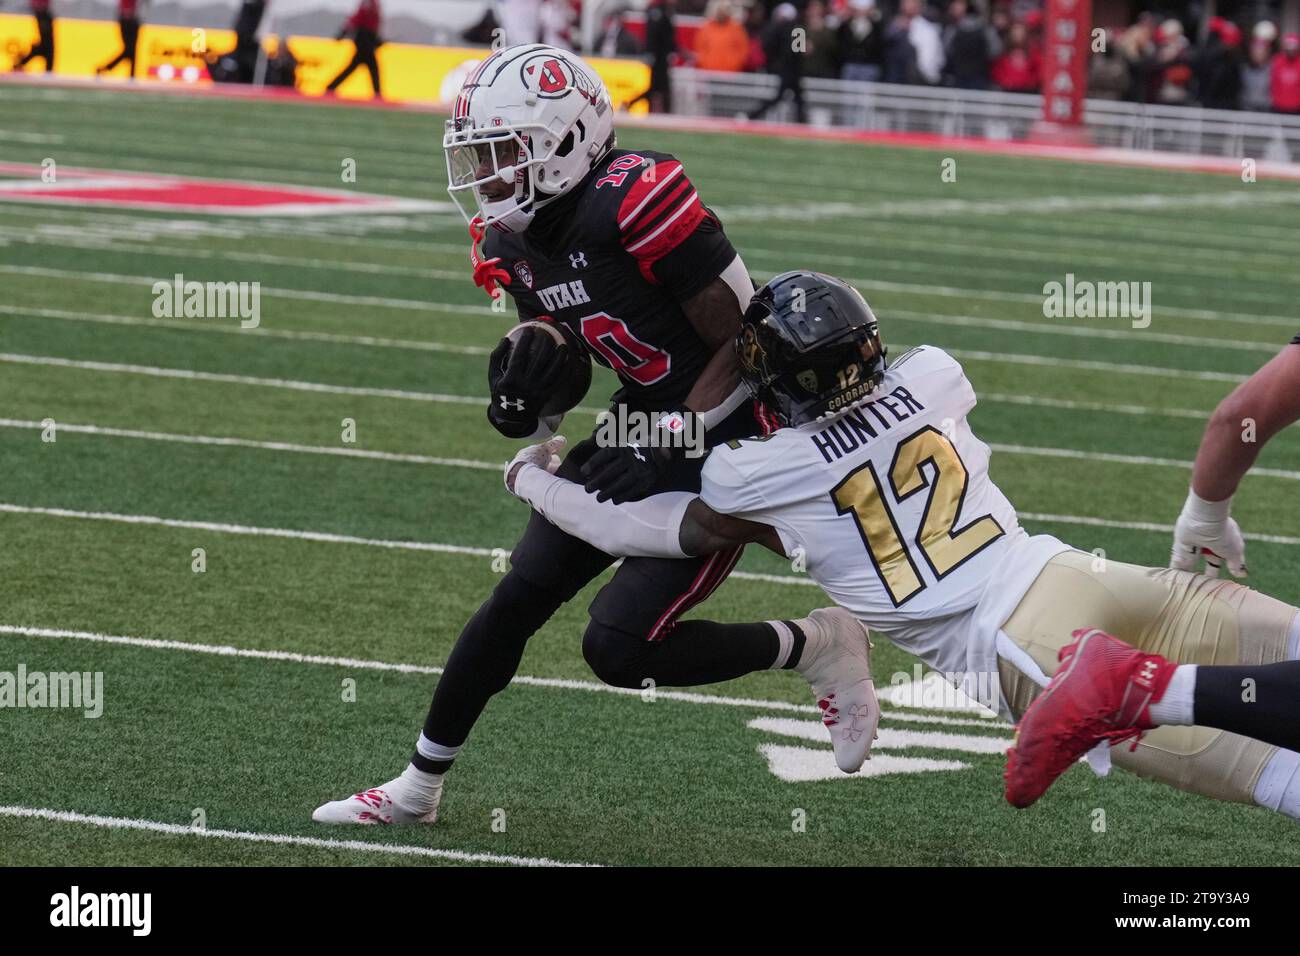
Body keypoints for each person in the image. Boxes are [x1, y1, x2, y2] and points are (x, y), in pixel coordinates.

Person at [505, 270, 1300, 823]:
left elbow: (636, 529)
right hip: (1080, 573)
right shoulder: (934, 376)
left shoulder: (758, 472)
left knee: (1277, 777)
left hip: (1020, 650)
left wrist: (536, 480)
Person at [313, 48, 876, 826]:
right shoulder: (509, 239)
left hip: (732, 436)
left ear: (567, 137)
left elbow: (751, 347)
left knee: (618, 648)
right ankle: (418, 787)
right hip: (640, 418)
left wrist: (675, 433)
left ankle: (813, 644)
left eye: (505, 150)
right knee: (519, 593)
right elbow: (557, 349)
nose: (488, 171)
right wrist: (527, 400)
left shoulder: (636, 198)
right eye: (481, 153)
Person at [747, 3, 806, 122]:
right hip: (791, 70)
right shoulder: (797, 29)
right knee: (791, 98)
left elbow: (767, 47)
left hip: (785, 69)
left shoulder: (773, 29)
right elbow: (798, 52)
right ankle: (753, 115)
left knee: (796, 98)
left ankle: (753, 115)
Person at [626, 0, 676, 112]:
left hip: (661, 57)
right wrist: (651, 53)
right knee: (659, 88)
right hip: (658, 58)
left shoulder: (665, 11)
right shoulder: (657, 11)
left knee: (658, 88)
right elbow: (654, 35)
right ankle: (631, 103)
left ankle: (632, 103)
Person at [326, 0, 383, 98]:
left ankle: (330, 88)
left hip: (367, 39)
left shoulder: (373, 3)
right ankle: (378, 95)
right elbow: (357, 20)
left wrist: (376, 39)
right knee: (372, 68)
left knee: (356, 67)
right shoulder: (369, 3)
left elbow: (370, 24)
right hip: (364, 40)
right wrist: (343, 33)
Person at [942, 0, 999, 90]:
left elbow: (947, 50)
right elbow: (995, 51)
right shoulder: (986, 30)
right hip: (976, 78)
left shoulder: (953, 29)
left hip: (963, 77)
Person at [694, 1, 748, 72]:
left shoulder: (736, 29)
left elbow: (742, 50)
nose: (721, 13)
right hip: (709, 72)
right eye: (719, 10)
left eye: (723, 10)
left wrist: (734, 64)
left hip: (731, 73)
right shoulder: (706, 28)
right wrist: (705, 63)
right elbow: (699, 48)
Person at [838, 0, 884, 83]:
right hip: (850, 64)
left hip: (869, 65)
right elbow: (841, 43)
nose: (861, 12)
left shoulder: (876, 26)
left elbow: (879, 44)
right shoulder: (846, 25)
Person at [97, 0, 142, 78]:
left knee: (132, 50)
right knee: (129, 50)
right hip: (127, 20)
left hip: (132, 20)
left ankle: (131, 75)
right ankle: (107, 68)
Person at [12, 0, 55, 73]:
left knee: (46, 47)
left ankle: (20, 63)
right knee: (47, 46)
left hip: (43, 11)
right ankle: (48, 72)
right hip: (42, 12)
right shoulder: (42, 16)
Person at [1271, 33, 1300, 113]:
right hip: (1278, 106)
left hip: (1297, 107)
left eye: (1293, 49)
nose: (1291, 52)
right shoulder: (1277, 61)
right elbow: (1273, 82)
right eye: (1289, 49)